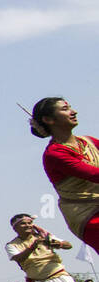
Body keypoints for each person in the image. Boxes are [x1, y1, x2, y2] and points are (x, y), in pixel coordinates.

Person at [31, 97, 99, 256]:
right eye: (65, 109)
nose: (73, 111)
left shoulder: (88, 141)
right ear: (48, 120)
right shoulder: (55, 154)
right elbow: (94, 174)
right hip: (89, 216)